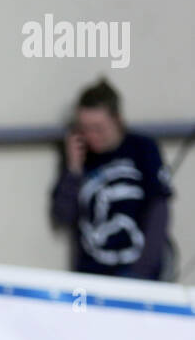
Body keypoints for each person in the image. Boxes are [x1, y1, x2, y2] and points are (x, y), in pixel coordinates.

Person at [50, 77, 173, 280]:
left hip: (138, 270)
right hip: (92, 274)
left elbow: (159, 213)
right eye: (84, 128)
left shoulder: (143, 149)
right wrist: (73, 169)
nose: (92, 136)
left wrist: (141, 272)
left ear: (118, 120)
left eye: (98, 128)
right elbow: (63, 216)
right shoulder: (80, 157)